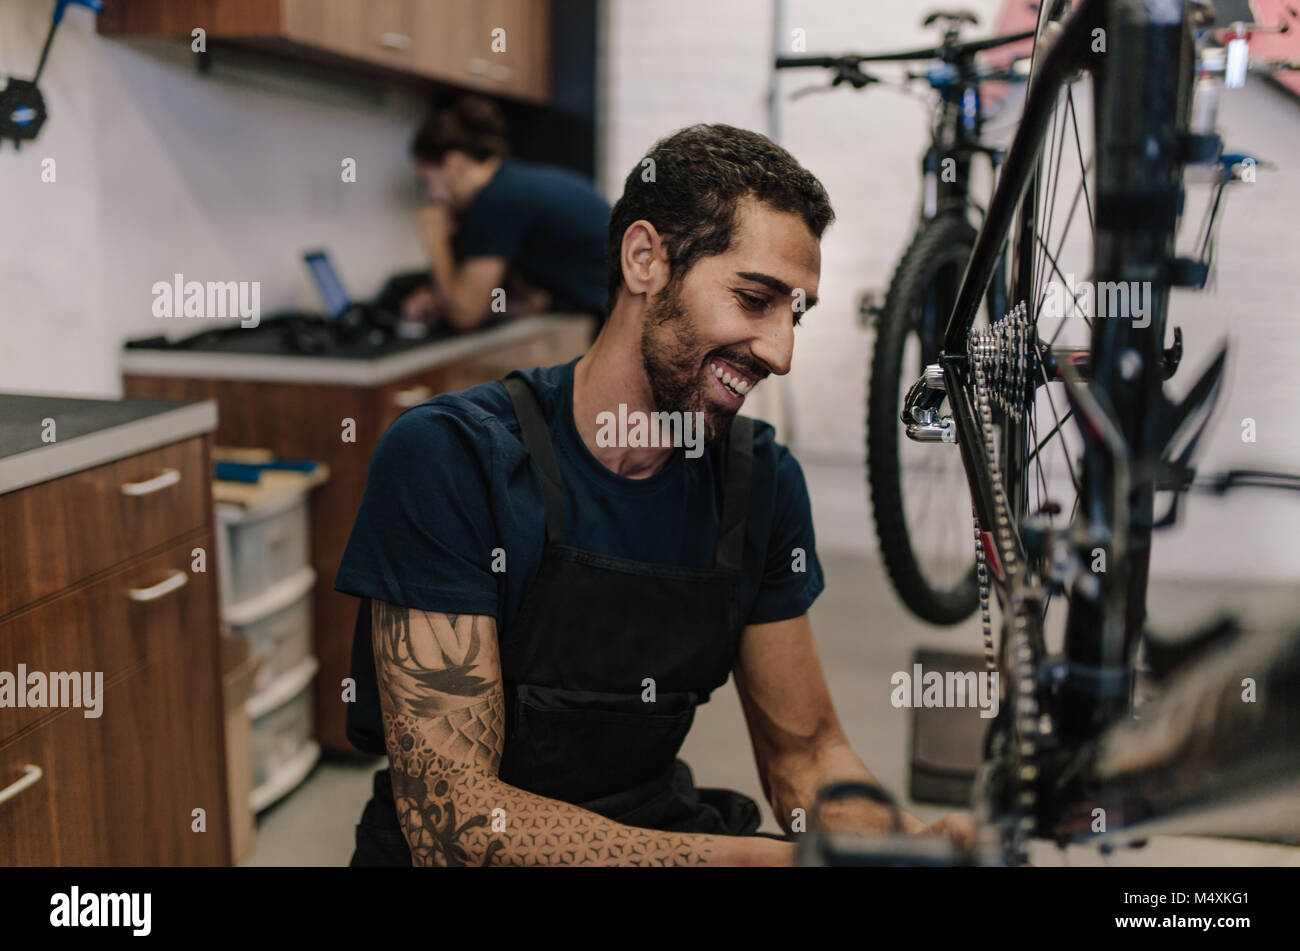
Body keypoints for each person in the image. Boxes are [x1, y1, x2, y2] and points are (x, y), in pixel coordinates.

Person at [335, 123, 975, 866]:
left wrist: (901, 850)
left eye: (795, 314)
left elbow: (807, 757)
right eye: (754, 299)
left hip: (656, 828)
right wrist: (758, 863)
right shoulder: (454, 458)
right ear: (645, 260)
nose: (781, 352)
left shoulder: (757, 483)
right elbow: (458, 826)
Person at [400, 95, 611, 334]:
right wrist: (443, 300)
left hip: (626, 318)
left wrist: (434, 237)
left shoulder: (495, 199)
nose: (430, 197)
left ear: (453, 164)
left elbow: (465, 316)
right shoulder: (512, 182)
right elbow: (523, 302)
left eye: (428, 181)